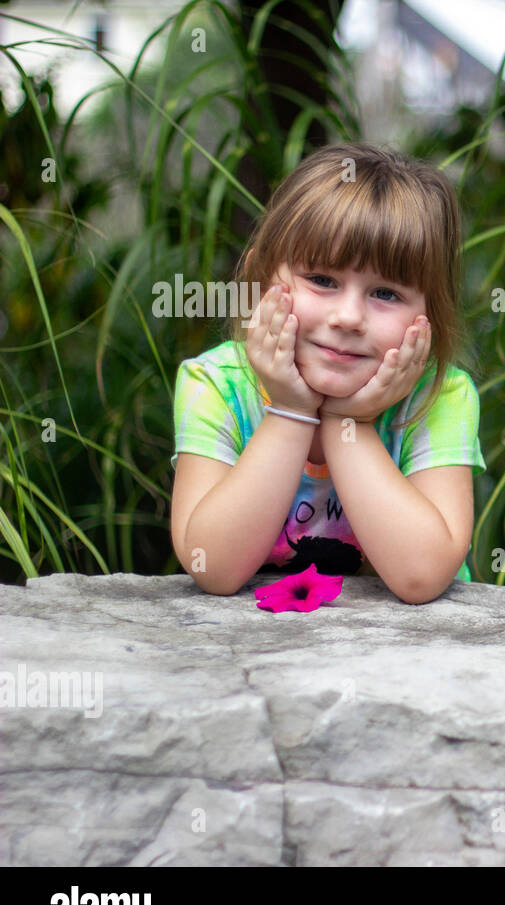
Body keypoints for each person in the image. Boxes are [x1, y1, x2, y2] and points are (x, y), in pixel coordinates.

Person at [169, 143, 486, 604]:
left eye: (386, 293)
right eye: (322, 280)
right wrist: (292, 412)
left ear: (429, 313)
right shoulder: (216, 384)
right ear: (262, 277)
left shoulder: (439, 397)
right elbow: (211, 566)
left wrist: (349, 422)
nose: (349, 317)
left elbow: (421, 576)